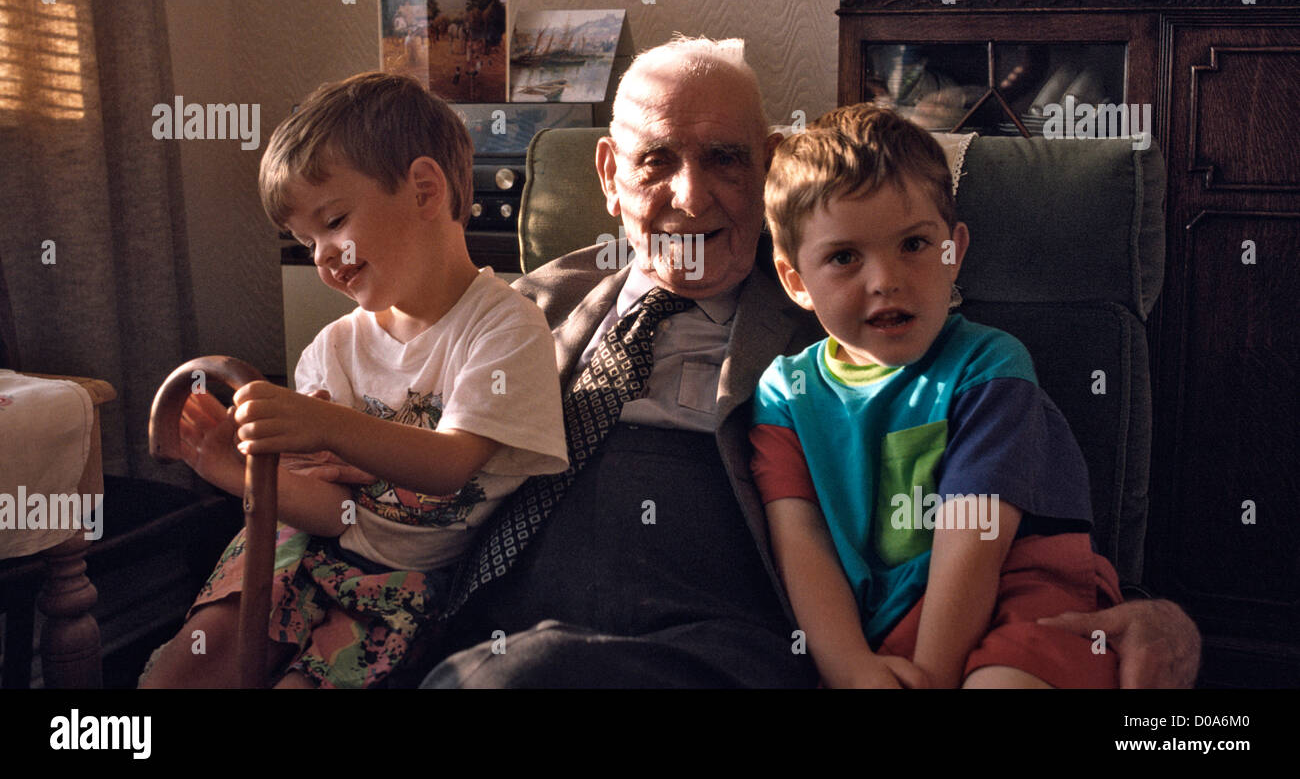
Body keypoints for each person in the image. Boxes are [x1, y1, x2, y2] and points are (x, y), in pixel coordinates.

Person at [421, 35, 1201, 688]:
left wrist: (1162, 619)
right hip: (487, 629)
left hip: (716, 651)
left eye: (725, 159)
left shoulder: (849, 321)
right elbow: (396, 463)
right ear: (608, 178)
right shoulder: (513, 311)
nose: (691, 198)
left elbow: (999, 488)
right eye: (657, 159)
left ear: (766, 167)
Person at [141, 72, 568, 688]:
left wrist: (324, 424)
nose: (319, 256)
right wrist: (236, 472)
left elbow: (450, 466)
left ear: (424, 190)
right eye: (303, 240)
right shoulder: (333, 348)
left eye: (333, 220)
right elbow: (337, 513)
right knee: (184, 672)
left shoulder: (506, 328)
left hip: (403, 588)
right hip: (305, 548)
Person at [751, 104, 1121, 688]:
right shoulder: (784, 394)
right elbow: (802, 544)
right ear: (796, 281)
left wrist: (930, 674)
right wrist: (850, 670)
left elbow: (973, 540)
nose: (886, 280)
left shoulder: (991, 366)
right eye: (845, 257)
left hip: (1021, 597)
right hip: (879, 624)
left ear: (955, 250)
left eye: (915, 245)